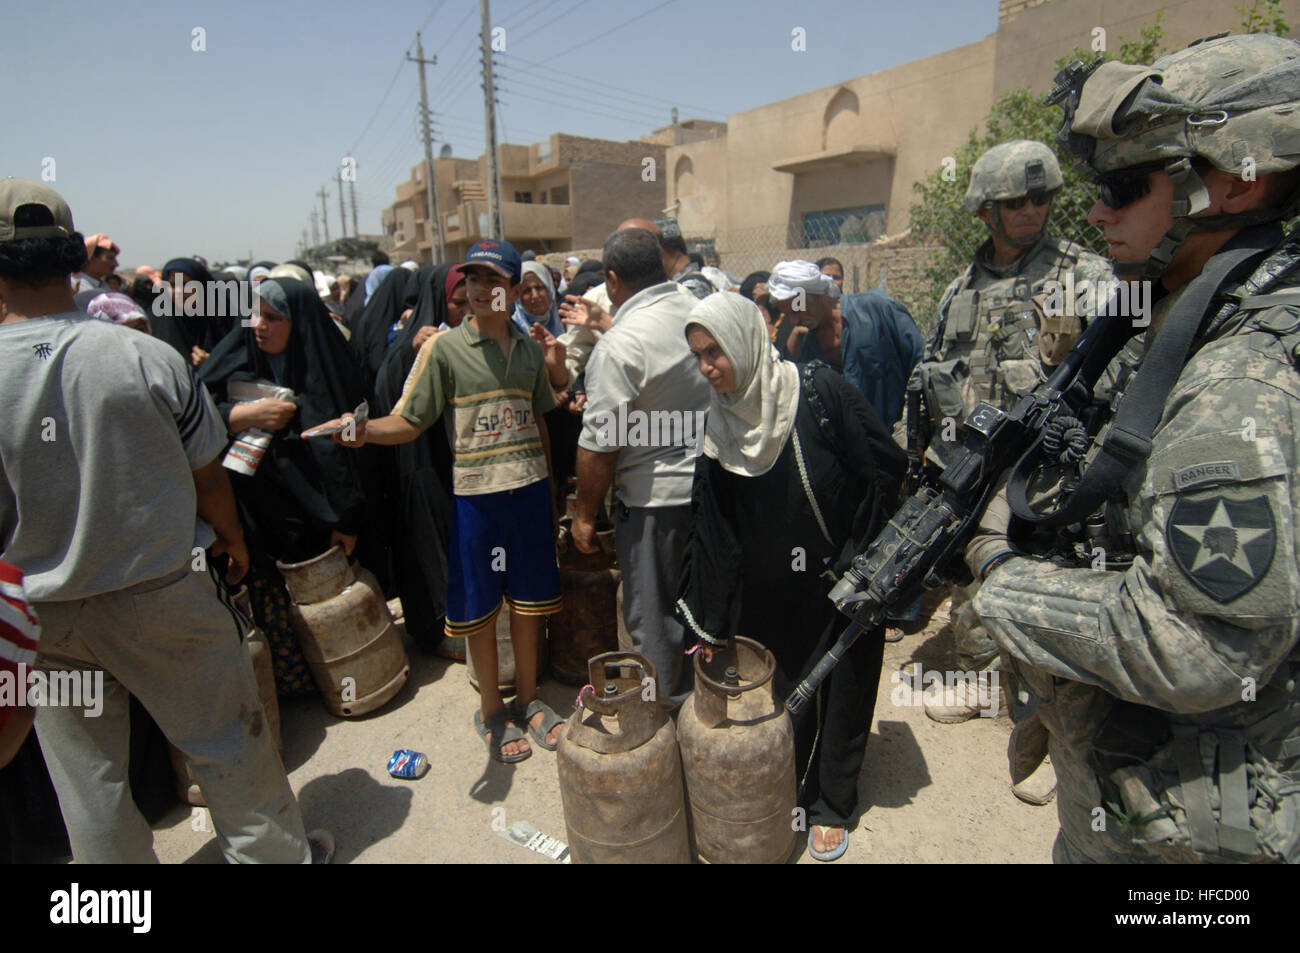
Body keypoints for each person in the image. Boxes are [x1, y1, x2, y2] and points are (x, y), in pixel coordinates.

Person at [966, 32, 1300, 863]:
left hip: (1202, 829)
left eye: (1123, 184)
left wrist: (1003, 582)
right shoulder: (1203, 307)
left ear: (1233, 179)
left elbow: (1197, 644)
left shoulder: (1241, 379)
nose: (1096, 210)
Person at [0, 179, 329, 863]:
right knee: (226, 741)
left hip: (45, 617)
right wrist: (234, 542)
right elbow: (209, 474)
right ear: (72, 258)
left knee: (89, 783)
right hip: (163, 595)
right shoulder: (144, 357)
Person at [677, 292, 905, 861]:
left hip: (841, 577)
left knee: (846, 689)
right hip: (768, 588)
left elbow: (885, 466)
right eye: (699, 356)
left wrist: (863, 558)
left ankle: (832, 803)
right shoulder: (718, 423)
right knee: (784, 695)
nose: (708, 368)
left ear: (746, 343)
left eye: (716, 352)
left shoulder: (817, 391)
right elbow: (711, 524)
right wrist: (708, 620)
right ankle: (787, 790)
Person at [904, 140, 1112, 755]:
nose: (1031, 209)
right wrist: (922, 448)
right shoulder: (957, 288)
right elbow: (932, 371)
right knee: (973, 574)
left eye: (1041, 197)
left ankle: (1056, 727)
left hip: (1047, 471)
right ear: (983, 212)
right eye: (1015, 201)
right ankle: (980, 681)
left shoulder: (1087, 276)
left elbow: (1126, 369)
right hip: (972, 463)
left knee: (1052, 580)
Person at [327, 240, 567, 763]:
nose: (481, 290)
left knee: (527, 609)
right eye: (473, 280)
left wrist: (549, 498)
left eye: (494, 281)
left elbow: (542, 421)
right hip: (477, 502)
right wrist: (363, 431)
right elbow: (410, 421)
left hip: (526, 497)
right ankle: (490, 712)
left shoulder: (528, 352)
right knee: (480, 612)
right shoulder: (445, 350)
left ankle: (529, 700)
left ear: (510, 290)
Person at [198, 277, 370, 698]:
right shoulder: (233, 362)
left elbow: (345, 457)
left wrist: (347, 518)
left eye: (274, 318)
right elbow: (192, 418)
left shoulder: (328, 365)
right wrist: (240, 416)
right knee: (268, 599)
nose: (259, 326)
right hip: (253, 510)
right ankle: (290, 684)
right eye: (254, 314)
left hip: (317, 516)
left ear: (299, 323)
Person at [572, 227, 713, 707]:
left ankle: (661, 720)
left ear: (612, 279)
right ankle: (707, 712)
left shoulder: (620, 346)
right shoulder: (699, 312)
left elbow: (600, 444)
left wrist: (585, 516)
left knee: (654, 621)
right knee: (706, 608)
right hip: (713, 488)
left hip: (654, 506)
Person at [373, 263, 467, 652]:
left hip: (462, 462)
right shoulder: (410, 343)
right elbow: (387, 395)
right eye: (458, 303)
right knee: (430, 545)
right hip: (422, 465)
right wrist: (416, 353)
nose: (467, 310)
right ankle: (437, 628)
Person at [770, 260, 923, 429]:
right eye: (787, 314)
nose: (794, 320)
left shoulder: (877, 309)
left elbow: (920, 363)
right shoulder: (809, 350)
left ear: (816, 294)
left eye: (797, 310)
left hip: (899, 436)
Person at [153, 256, 236, 368]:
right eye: (172, 285)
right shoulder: (160, 323)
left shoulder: (224, 318)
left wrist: (213, 363)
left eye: (185, 284)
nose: (179, 291)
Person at [70, 233, 119, 308]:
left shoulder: (104, 287)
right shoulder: (72, 285)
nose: (115, 264)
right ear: (90, 258)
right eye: (110, 258)